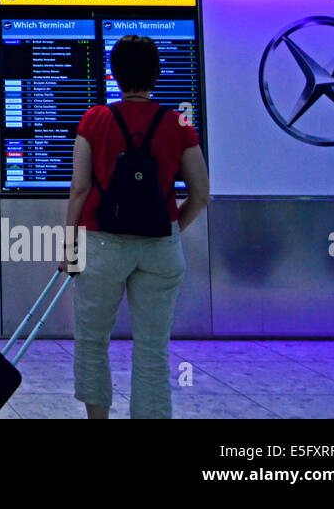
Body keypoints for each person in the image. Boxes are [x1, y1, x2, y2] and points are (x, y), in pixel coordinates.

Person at [59, 34, 210, 419]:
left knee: (93, 340)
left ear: (115, 73)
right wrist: (173, 226)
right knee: (152, 348)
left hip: (102, 243)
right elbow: (201, 194)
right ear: (157, 74)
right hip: (160, 247)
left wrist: (67, 246)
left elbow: (80, 189)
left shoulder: (96, 119)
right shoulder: (178, 122)